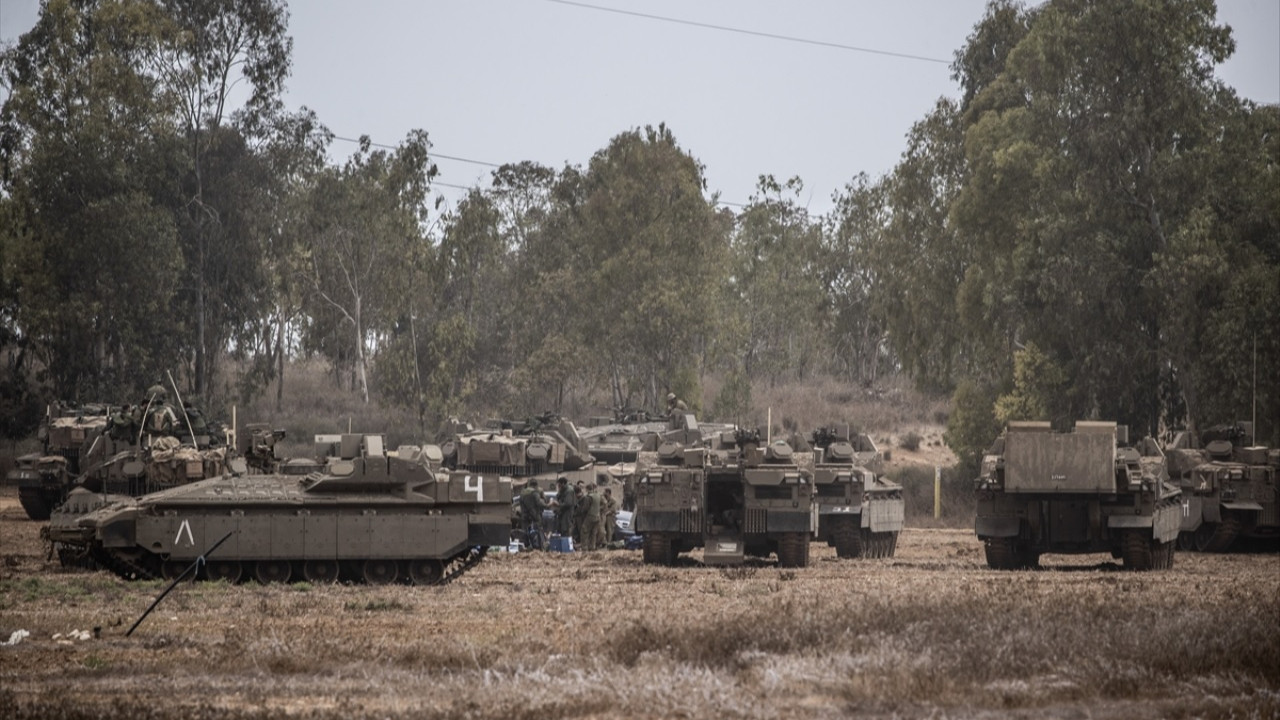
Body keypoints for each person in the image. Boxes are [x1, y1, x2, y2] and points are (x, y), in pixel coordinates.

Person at [518, 480, 548, 550]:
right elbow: (539, 503)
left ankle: (526, 546)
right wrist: (547, 505)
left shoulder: (523, 492)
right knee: (538, 530)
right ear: (535, 485)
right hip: (534, 515)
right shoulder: (535, 492)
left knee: (525, 531)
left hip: (524, 515)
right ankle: (538, 546)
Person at [579, 483, 602, 551]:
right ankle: (592, 547)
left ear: (587, 489)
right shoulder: (598, 495)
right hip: (597, 517)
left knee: (584, 531)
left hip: (590, 516)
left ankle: (584, 548)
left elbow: (585, 508)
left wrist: (581, 512)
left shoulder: (589, 497)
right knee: (593, 533)